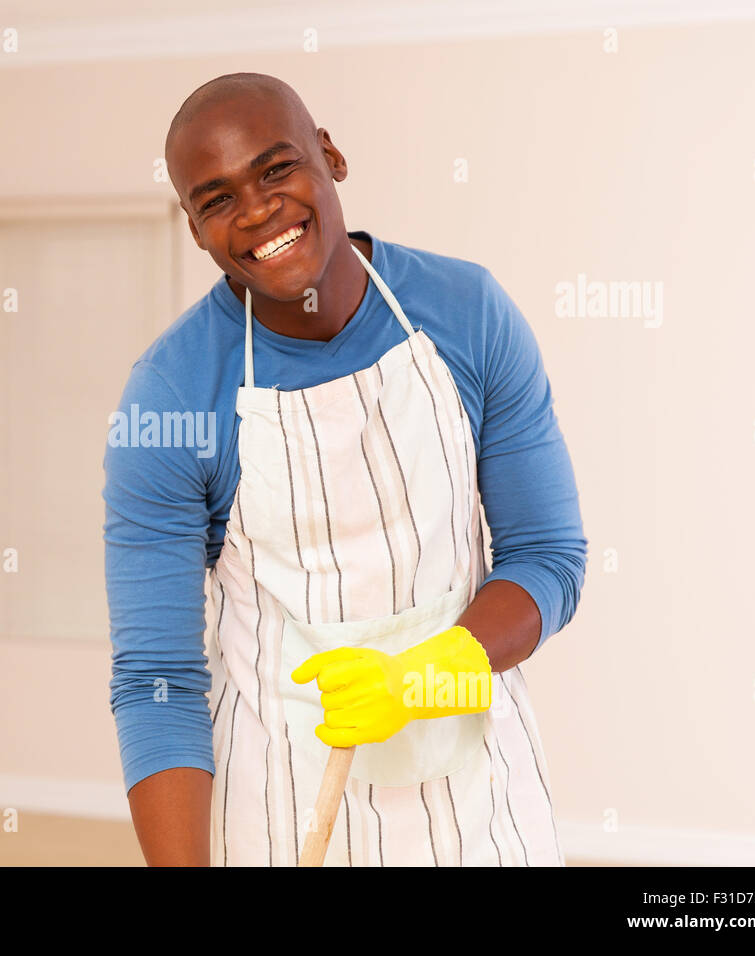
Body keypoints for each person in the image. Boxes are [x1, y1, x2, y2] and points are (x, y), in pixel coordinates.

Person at [101, 72, 587, 866]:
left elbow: (549, 558)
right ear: (195, 230)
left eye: (275, 169)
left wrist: (433, 669)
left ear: (330, 156)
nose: (256, 211)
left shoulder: (467, 312)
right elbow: (157, 678)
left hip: (479, 808)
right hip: (279, 811)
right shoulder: (171, 394)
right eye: (216, 199)